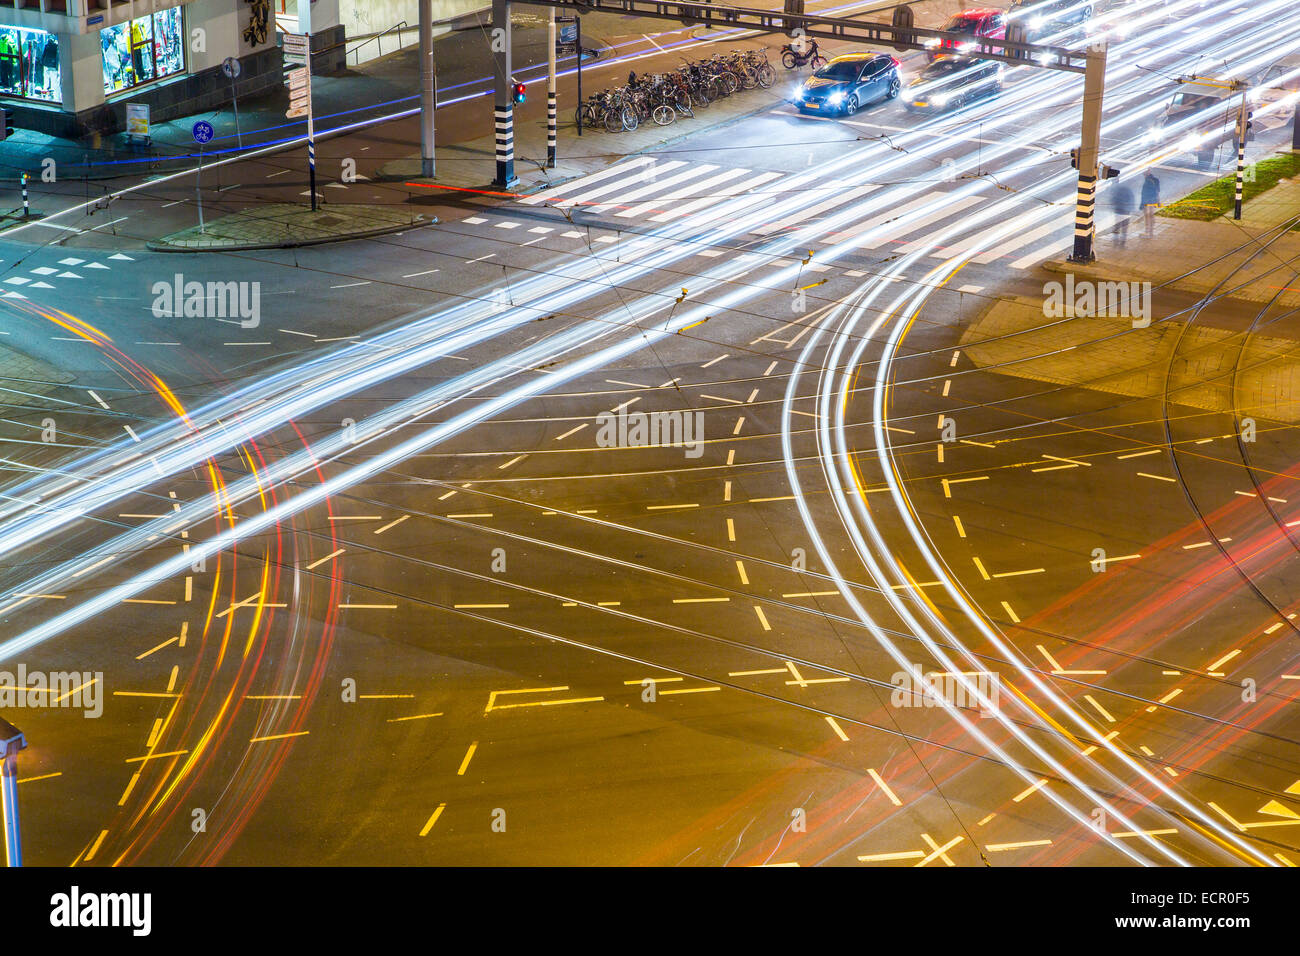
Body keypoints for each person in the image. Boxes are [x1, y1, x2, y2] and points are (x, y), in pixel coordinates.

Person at [1109, 178, 1135, 246]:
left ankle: (1115, 242)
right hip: (1126, 211)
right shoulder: (1128, 190)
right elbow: (1132, 200)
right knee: (1124, 228)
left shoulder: (1117, 189)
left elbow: (1113, 199)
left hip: (1118, 210)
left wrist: (1114, 206)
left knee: (1117, 227)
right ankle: (1122, 243)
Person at [1141, 171, 1161, 238]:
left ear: (1146, 174)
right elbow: (1158, 191)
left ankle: (1147, 232)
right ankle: (1151, 232)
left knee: (1147, 216)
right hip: (1153, 200)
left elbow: (1144, 194)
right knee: (1151, 215)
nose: (1144, 176)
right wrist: (1158, 201)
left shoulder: (1147, 182)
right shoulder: (1156, 180)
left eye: (1144, 174)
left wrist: (1141, 204)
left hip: (1147, 201)